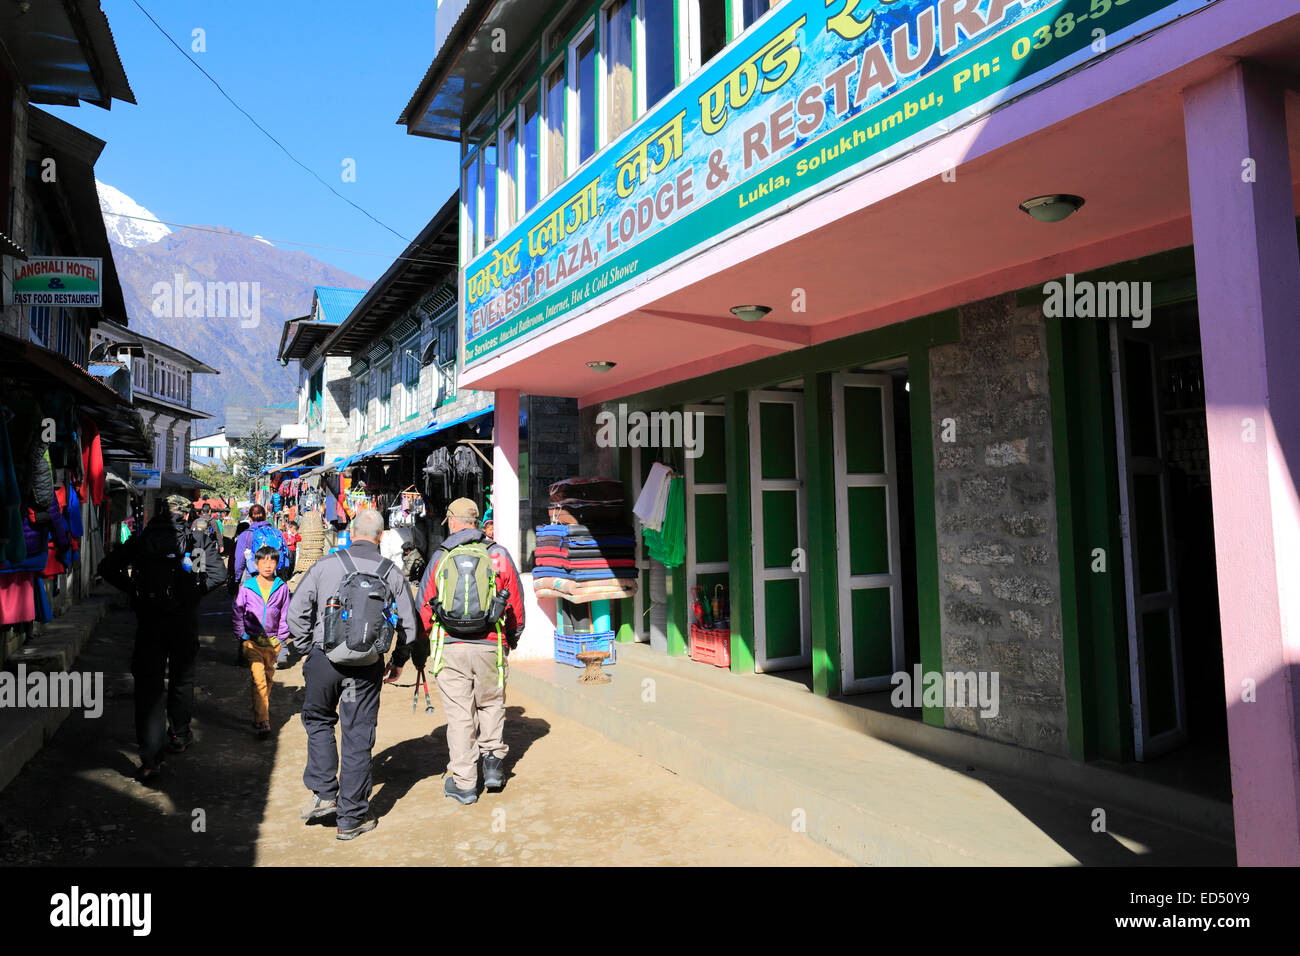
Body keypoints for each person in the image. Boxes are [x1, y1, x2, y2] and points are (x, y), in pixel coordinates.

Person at [286, 509, 418, 841]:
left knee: (317, 719)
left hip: (324, 661)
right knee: (357, 737)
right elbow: (410, 628)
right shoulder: (392, 573)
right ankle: (351, 819)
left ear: (351, 533)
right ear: (381, 535)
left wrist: (307, 648)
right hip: (366, 667)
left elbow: (297, 612)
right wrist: (398, 660)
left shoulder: (324, 566)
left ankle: (324, 793)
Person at [400, 498, 524, 805]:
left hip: (450, 647)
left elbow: (423, 608)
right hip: (490, 647)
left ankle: (466, 783)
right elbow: (516, 605)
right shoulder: (498, 554)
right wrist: (511, 638)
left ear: (453, 522)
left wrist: (425, 644)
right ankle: (493, 766)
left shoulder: (441, 556)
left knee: (460, 716)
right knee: (491, 703)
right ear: (478, 522)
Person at [98, 494, 225, 781]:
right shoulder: (195, 540)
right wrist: (191, 596)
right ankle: (179, 735)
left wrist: (134, 591)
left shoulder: (143, 539)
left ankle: (150, 758)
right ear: (183, 514)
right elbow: (217, 576)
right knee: (182, 678)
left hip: (149, 621)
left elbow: (106, 568)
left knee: (149, 687)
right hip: (184, 622)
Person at [233, 545, 292, 738]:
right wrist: (241, 635)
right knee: (259, 679)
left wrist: (282, 637)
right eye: (263, 561)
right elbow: (238, 612)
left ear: (277, 563)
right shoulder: (247, 587)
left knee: (267, 680)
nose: (267, 565)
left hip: (273, 643)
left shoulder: (281, 587)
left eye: (272, 561)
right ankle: (263, 720)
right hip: (252, 642)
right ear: (256, 563)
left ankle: (260, 711)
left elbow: (285, 614)